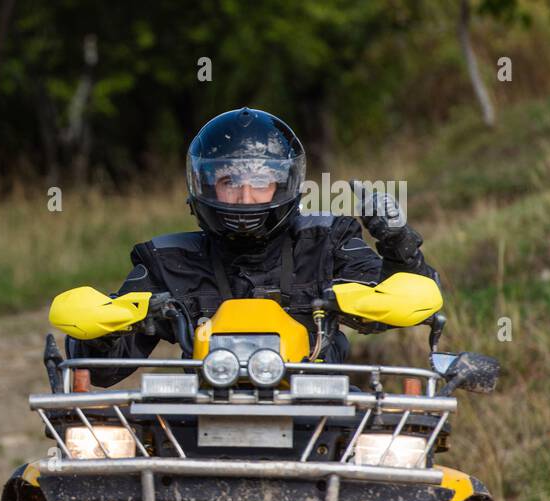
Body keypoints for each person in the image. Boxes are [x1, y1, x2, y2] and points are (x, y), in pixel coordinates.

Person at [65, 107, 438, 386]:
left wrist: (397, 243)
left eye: (260, 180)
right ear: (205, 185)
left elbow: (407, 302)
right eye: (230, 180)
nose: (245, 197)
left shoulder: (327, 241)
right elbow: (104, 370)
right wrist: (102, 330)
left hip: (326, 417)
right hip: (193, 424)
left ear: (285, 183)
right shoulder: (169, 261)